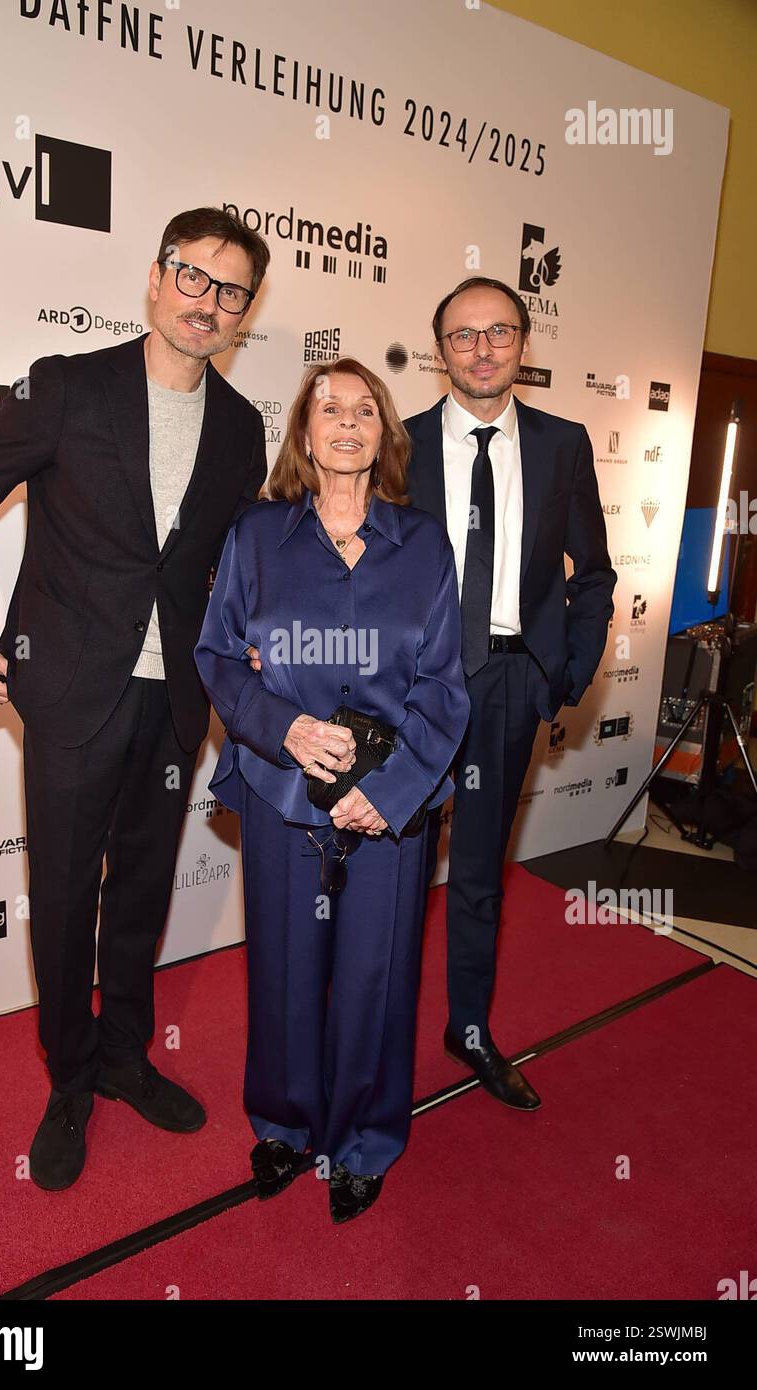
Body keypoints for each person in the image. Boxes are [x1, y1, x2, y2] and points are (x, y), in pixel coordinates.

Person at [0, 207, 270, 1190]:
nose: (208, 301)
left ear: (246, 312)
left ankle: (124, 1052)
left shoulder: (244, 429)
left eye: (231, 290)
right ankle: (68, 1079)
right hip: (74, 691)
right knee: (70, 893)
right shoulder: (69, 386)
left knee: (144, 891)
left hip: (176, 702)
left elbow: (227, 570)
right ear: (156, 280)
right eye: (192, 277)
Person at [194, 358, 468, 1223]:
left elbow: (443, 683)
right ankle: (284, 1122)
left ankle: (363, 1138)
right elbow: (215, 658)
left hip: (391, 803)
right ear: (304, 435)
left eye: (364, 410)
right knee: (282, 966)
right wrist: (285, 728)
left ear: (386, 434)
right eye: (327, 410)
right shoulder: (255, 537)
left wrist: (389, 790)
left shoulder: (422, 542)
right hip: (282, 793)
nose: (346, 424)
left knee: (373, 977)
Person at [405, 276, 616, 1109]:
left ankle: (469, 1032)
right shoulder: (401, 443)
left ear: (524, 344)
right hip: (414, 689)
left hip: (505, 685)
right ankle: (380, 1038)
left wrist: (562, 668)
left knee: (481, 875)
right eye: (463, 335)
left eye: (499, 332)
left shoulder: (563, 444)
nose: (482, 349)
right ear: (439, 351)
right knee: (394, 876)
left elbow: (592, 573)